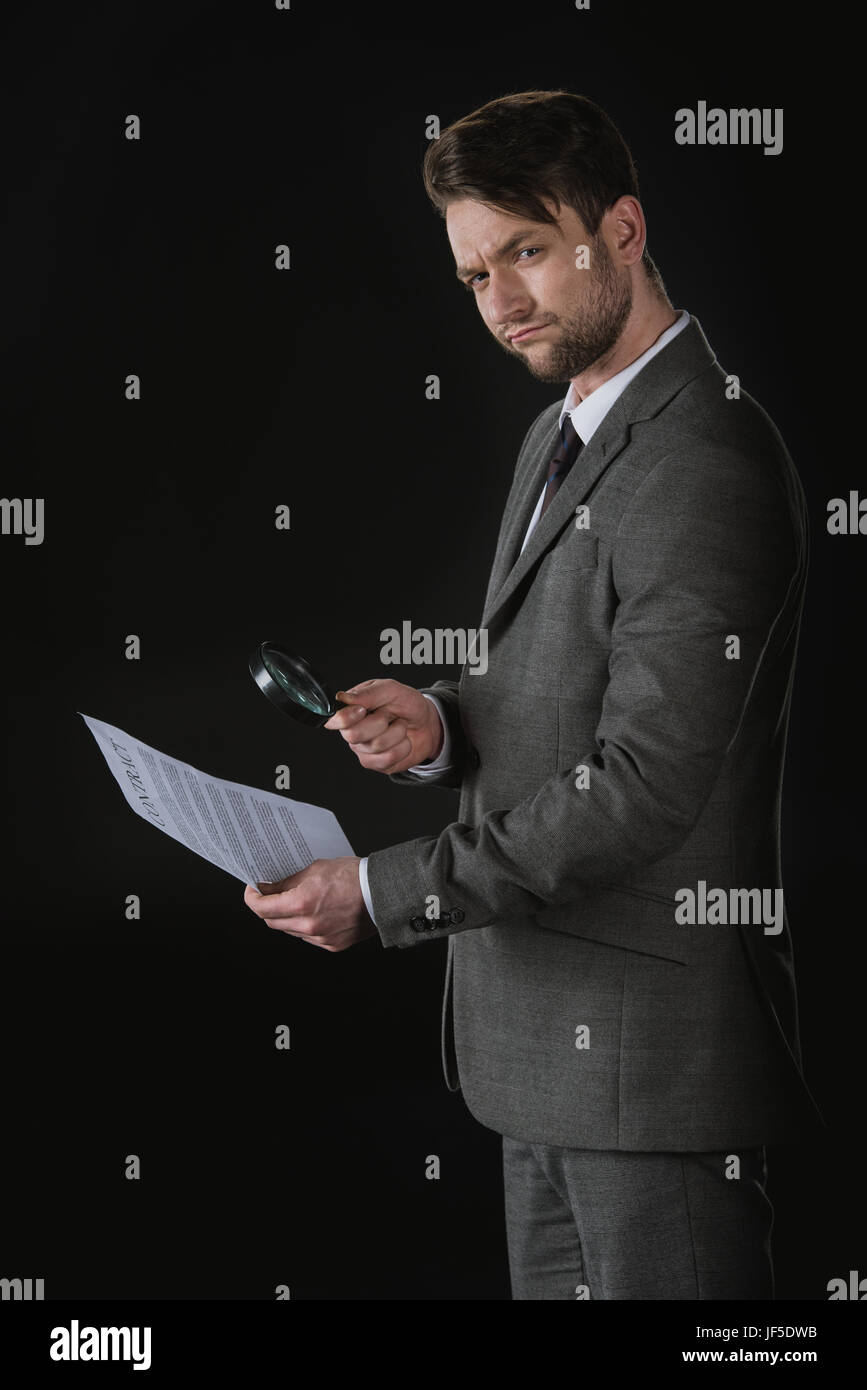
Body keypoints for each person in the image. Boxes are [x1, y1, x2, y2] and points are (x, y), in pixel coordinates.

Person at [244, 90, 822, 1300]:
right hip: (538, 1057)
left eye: (523, 252)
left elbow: (643, 789)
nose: (500, 303)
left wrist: (383, 892)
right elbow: (572, 692)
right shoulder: (561, 428)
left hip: (655, 1083)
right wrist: (444, 725)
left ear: (620, 231)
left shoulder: (706, 458)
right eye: (472, 275)